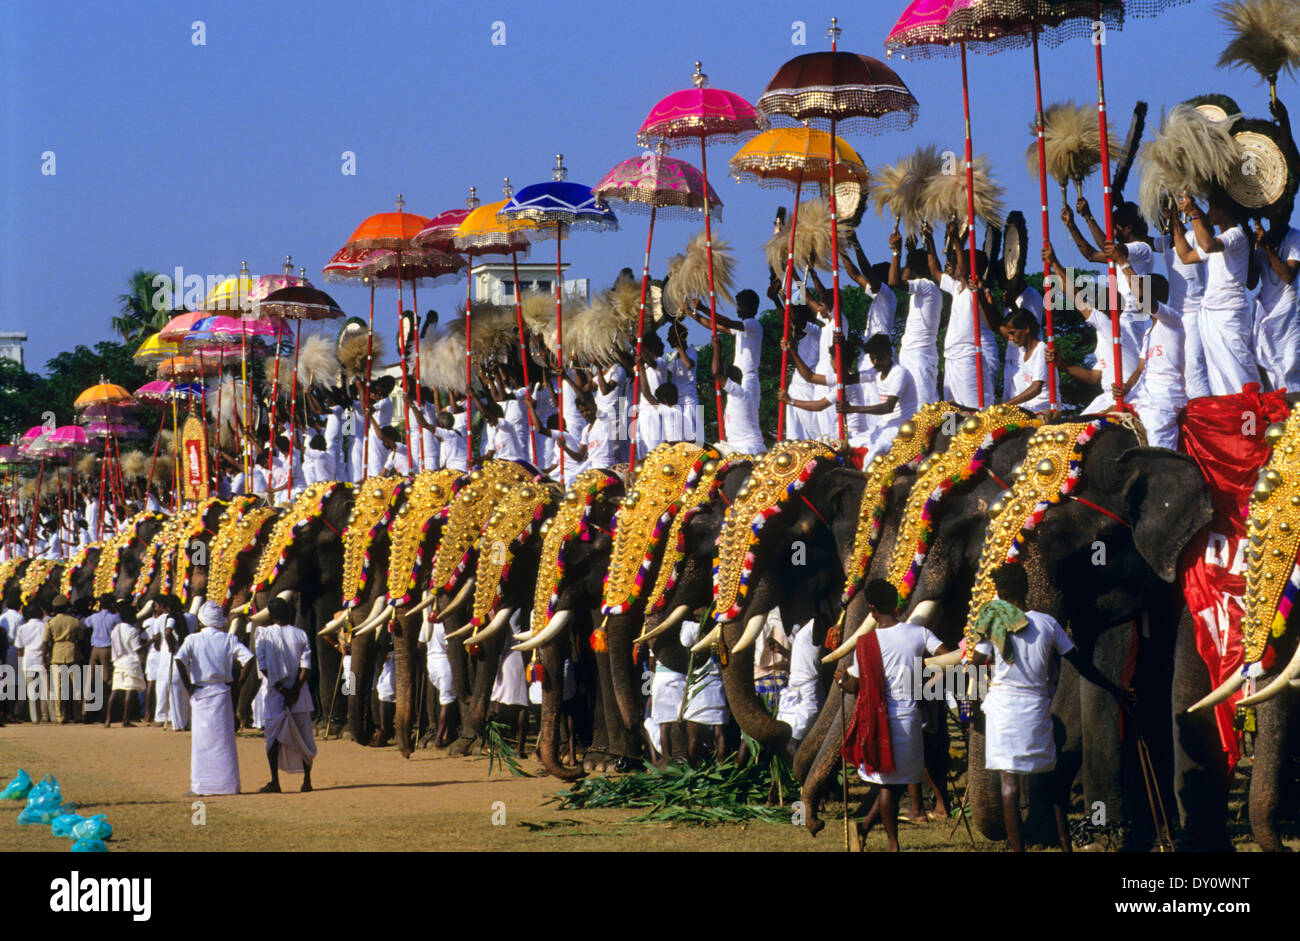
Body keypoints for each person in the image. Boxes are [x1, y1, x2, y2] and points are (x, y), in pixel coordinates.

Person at [967, 563, 1126, 852]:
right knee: (1048, 782)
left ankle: (1019, 851)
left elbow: (975, 666)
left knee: (1009, 785)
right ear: (1026, 588)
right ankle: (1066, 846)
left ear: (1001, 592)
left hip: (1004, 707)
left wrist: (964, 668)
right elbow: (1079, 663)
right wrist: (1116, 689)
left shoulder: (993, 619)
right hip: (1037, 708)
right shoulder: (1049, 623)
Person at [834, 579, 949, 851]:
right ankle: (877, 836)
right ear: (896, 603)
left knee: (888, 785)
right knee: (898, 782)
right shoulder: (918, 633)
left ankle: (889, 842)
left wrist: (841, 679)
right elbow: (948, 659)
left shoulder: (866, 642)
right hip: (909, 718)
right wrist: (926, 685)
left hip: (878, 723)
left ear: (872, 609)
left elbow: (855, 688)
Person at [1169, 193, 1258, 395]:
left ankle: (1251, 413)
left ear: (1224, 211)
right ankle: (1231, 415)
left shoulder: (1235, 234)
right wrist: (1175, 218)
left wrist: (1193, 212)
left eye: (1212, 208)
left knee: (1237, 370)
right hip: (1211, 312)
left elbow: (1207, 244)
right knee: (1218, 374)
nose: (1208, 213)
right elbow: (1186, 256)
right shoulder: (1221, 239)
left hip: (1229, 311)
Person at [1042, 242, 1140, 414]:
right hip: (1107, 396)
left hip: (1127, 395)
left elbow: (1075, 297)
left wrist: (1054, 263)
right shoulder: (1107, 333)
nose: (1093, 305)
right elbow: (1092, 377)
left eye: (1098, 302)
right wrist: (1061, 364)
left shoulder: (1110, 325)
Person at [174, 601, 255, 795]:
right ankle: (228, 785)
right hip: (221, 692)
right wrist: (238, 683)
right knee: (223, 741)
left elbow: (179, 659)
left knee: (201, 742)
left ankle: (201, 786)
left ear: (201, 619)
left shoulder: (193, 639)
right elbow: (249, 659)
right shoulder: (228, 639)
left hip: (201, 692)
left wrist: (189, 687)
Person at [1111, 249, 1187, 448]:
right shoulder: (1148, 333)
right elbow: (1140, 368)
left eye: (1139, 294)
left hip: (1165, 395)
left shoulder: (1172, 319)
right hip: (1142, 393)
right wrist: (1125, 388)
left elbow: (1144, 300)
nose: (1135, 301)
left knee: (1155, 438)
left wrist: (1124, 264)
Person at [1061, 197, 1156, 353]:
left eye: (1114, 229)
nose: (1112, 234)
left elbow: (1110, 248)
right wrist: (1072, 226)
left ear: (1128, 228)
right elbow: (1090, 255)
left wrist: (1088, 217)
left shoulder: (1142, 249)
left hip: (1131, 317)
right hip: (1118, 315)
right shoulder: (1121, 254)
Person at [929, 222, 1000, 407]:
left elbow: (965, 270)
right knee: (951, 408)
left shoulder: (976, 290)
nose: (956, 267)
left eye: (962, 263)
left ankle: (981, 436)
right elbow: (935, 271)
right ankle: (952, 436)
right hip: (952, 356)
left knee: (972, 410)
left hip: (970, 356)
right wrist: (929, 238)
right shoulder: (957, 288)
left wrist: (956, 240)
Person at [255, 597, 316, 793]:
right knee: (305, 737)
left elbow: (263, 667)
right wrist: (295, 690)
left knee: (272, 739)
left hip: (276, 695)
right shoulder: (301, 634)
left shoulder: (263, 635)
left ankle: (275, 781)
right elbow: (305, 666)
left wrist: (282, 690)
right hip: (300, 695)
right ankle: (307, 781)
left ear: (271, 616)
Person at [1154, 205, 1210, 399]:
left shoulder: (1195, 238)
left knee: (1194, 363)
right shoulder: (1164, 243)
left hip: (1196, 312)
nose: (1156, 221)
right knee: (1178, 365)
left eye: (1160, 214)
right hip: (1176, 315)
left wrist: (1177, 213)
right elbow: (1135, 240)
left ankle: (1204, 407)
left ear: (1169, 213)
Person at [888, 226, 943, 404]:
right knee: (911, 405)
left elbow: (894, 281)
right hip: (912, 353)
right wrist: (909, 252)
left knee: (923, 406)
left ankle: (942, 430)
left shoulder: (926, 286)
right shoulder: (927, 288)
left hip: (919, 355)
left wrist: (897, 252)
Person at [1252, 216, 1300, 392]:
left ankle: (1294, 414)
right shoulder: (1261, 238)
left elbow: (1288, 276)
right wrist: (1251, 247)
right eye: (1279, 211)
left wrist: (1266, 247)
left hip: (1287, 312)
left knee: (1289, 366)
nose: (1285, 214)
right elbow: (1250, 282)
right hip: (1264, 311)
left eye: (1287, 209)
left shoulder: (1296, 237)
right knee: (1263, 365)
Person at [679, 617, 729, 766]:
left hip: (697, 691)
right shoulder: (718, 631)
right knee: (720, 735)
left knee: (693, 737)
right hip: (716, 689)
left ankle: (692, 770)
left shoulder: (690, 630)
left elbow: (685, 642)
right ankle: (722, 768)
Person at [711, 328, 765, 454]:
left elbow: (716, 373)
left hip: (746, 448)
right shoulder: (739, 394)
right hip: (737, 446)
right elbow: (720, 373)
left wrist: (716, 349)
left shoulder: (739, 393)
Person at [998, 310, 1056, 412]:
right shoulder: (1022, 352)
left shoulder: (1041, 349)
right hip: (1027, 408)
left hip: (1042, 409)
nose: (1010, 338)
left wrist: (1005, 405)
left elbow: (1036, 388)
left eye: (1013, 333)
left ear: (1026, 328)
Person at [104, 601, 145, 727]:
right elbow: (137, 649)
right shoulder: (132, 631)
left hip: (118, 662)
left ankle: (108, 720)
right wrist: (150, 642)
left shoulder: (116, 628)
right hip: (130, 663)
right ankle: (125, 719)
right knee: (129, 691)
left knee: (115, 691)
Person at [43, 595, 82, 724]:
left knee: (58, 687)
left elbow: (45, 642)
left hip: (57, 653)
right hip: (73, 652)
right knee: (77, 686)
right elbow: (80, 638)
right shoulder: (75, 621)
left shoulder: (50, 622)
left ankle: (61, 716)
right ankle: (78, 714)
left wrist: (44, 658)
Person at [83, 593, 119, 723]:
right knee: (107, 680)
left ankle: (87, 712)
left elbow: (86, 624)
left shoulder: (94, 617)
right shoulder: (115, 618)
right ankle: (105, 713)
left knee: (91, 680)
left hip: (95, 649)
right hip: (107, 649)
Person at [15, 603, 49, 723]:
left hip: (28, 661)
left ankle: (35, 717)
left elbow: (19, 648)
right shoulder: (45, 626)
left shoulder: (22, 628)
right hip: (43, 660)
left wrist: (20, 664)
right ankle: (46, 716)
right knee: (45, 691)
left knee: (32, 692)